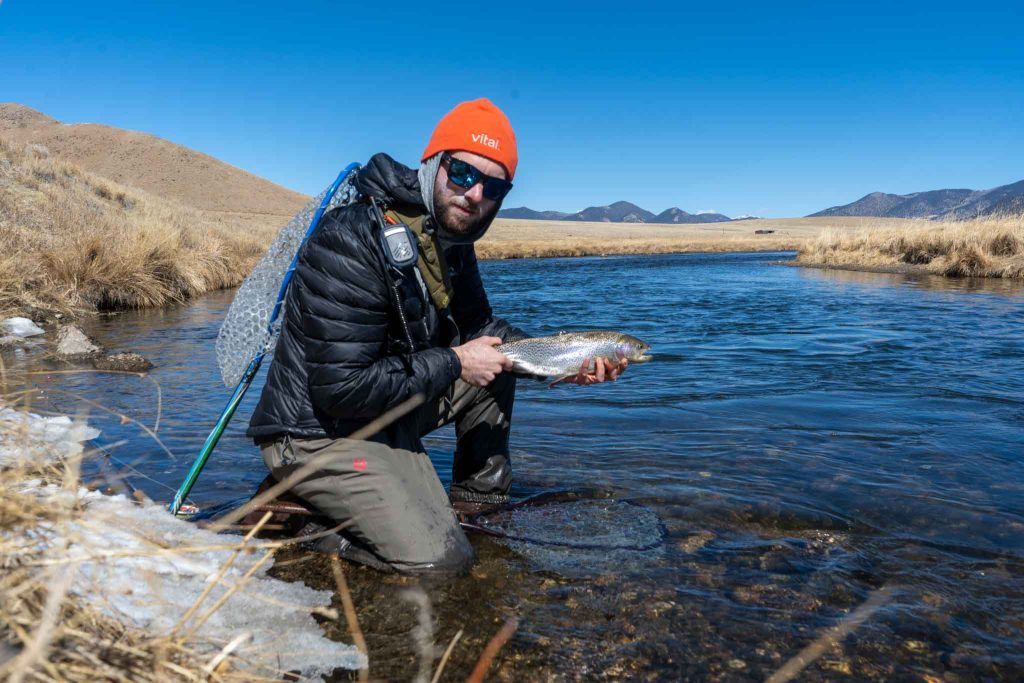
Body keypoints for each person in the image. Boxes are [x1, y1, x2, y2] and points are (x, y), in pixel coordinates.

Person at [247, 99, 626, 574]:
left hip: (382, 407)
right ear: (432, 164)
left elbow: (482, 334)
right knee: (440, 562)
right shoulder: (351, 239)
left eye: (492, 186)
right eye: (464, 173)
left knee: (498, 363)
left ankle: (475, 510)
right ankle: (308, 523)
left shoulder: (451, 241)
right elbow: (339, 387)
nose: (474, 194)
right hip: (315, 431)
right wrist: (456, 362)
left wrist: (561, 362)